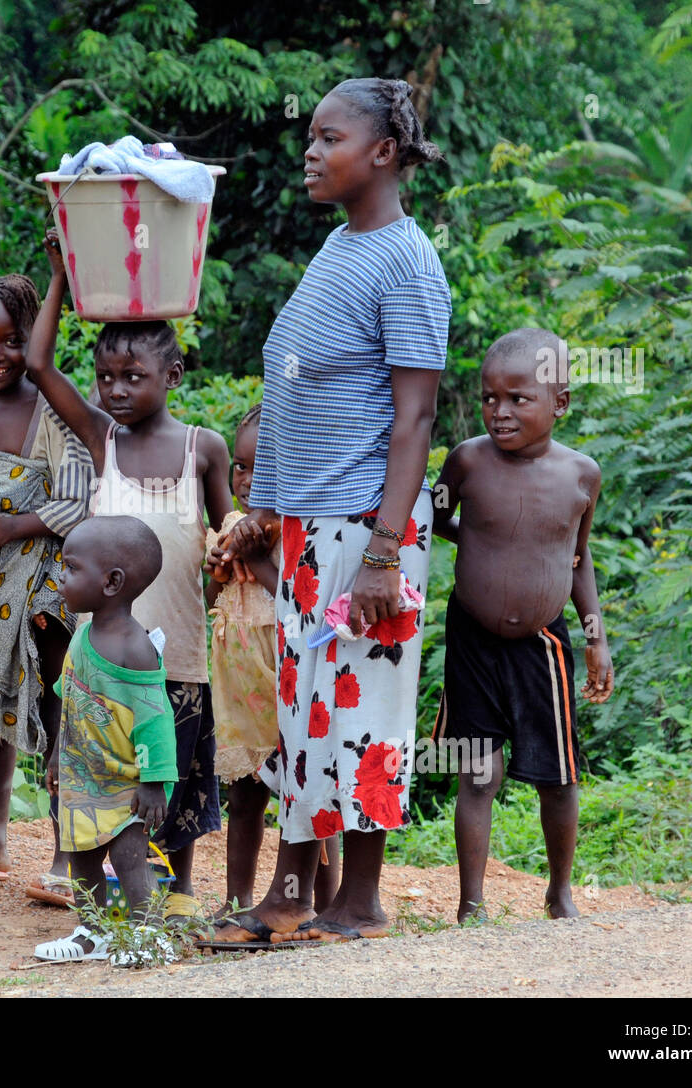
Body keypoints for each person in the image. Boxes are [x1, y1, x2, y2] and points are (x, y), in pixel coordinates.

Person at [214, 77, 450, 944]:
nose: (310, 151)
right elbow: (297, 399)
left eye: (329, 137)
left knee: (359, 711)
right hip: (315, 526)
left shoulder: (407, 260)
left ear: (383, 153)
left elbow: (415, 417)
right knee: (305, 711)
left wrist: (386, 551)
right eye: (309, 136)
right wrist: (266, 515)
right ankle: (297, 895)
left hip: (367, 527)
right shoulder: (338, 249)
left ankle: (358, 900)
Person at [26, 234, 236, 918]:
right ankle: (104, 879)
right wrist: (60, 276)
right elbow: (36, 363)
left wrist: (229, 562)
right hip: (101, 656)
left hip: (179, 648)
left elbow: (225, 537)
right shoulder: (101, 439)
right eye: (105, 377)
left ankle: (178, 887)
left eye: (134, 377)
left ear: (172, 376)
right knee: (99, 766)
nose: (115, 390)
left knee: (174, 767)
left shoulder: (204, 447)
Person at [430, 327, 614, 922]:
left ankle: (559, 893)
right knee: (479, 772)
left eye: (518, 399)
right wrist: (478, 539)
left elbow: (579, 563)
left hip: (545, 644)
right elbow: (430, 517)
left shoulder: (581, 475)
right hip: (472, 638)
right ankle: (471, 904)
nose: (499, 412)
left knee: (558, 775)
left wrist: (596, 639)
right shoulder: (467, 460)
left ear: (559, 403)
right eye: (489, 398)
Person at [0, 274, 94, 904]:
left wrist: (18, 524)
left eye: (9, 340)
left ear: (31, 339)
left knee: (58, 701)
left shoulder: (56, 409)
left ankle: (66, 851)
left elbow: (80, 498)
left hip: (49, 581)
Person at [203, 405, 339, 925]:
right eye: (241, 467)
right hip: (240, 693)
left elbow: (294, 595)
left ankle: (322, 904)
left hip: (288, 689)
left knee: (306, 800)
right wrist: (220, 565)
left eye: (265, 468)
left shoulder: (301, 531)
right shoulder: (235, 524)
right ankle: (239, 900)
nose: (248, 480)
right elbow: (212, 597)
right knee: (245, 795)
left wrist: (254, 558)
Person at [33, 517, 179, 962]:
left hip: (125, 781)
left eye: (71, 568)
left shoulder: (134, 648)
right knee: (82, 860)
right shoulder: (81, 635)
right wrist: (57, 755)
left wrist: (154, 782)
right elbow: (69, 699)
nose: (61, 579)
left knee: (129, 857)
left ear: (112, 582)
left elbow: (156, 721)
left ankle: (152, 936)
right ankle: (93, 932)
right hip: (83, 776)